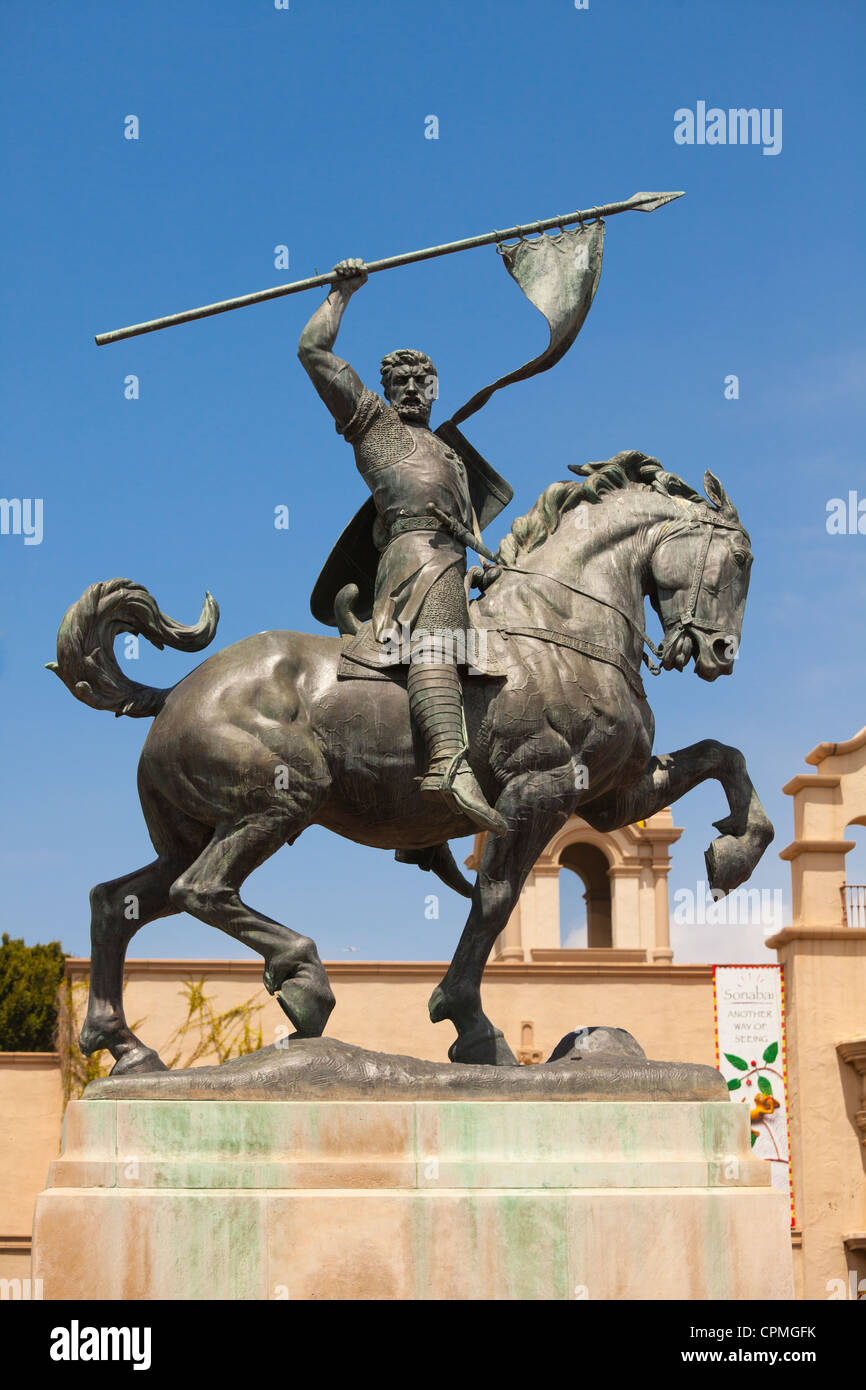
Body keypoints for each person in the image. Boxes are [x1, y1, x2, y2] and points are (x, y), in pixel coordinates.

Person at [298, 258, 506, 835]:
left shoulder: (452, 457)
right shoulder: (377, 429)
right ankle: (446, 761)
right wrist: (340, 294)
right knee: (438, 637)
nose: (412, 388)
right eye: (400, 382)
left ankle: (422, 838)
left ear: (436, 389)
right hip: (414, 559)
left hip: (456, 562)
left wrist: (489, 569)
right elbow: (313, 354)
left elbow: (472, 526)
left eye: (422, 381)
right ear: (385, 391)